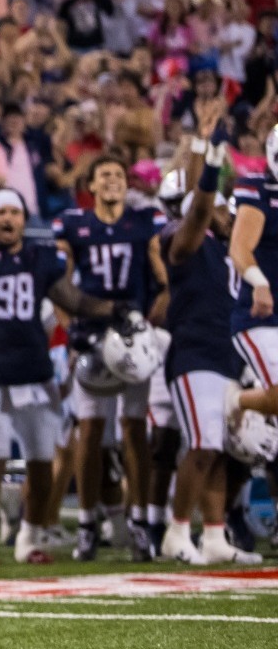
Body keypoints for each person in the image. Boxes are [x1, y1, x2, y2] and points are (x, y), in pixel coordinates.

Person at [0, 187, 119, 566]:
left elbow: (72, 299)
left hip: (33, 368)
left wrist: (115, 309)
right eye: (0, 212)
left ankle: (30, 537)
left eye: (14, 213)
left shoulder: (40, 257)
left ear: (23, 219)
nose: (7, 219)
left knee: (40, 459)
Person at [159, 111, 262, 565]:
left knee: (221, 450)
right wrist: (212, 154)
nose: (224, 212)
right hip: (195, 354)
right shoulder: (184, 244)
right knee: (201, 444)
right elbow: (200, 209)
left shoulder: (229, 252)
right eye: (219, 207)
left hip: (224, 353)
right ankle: (177, 532)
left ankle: (215, 535)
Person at [53, 157, 167, 560]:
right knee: (90, 430)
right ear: (93, 184)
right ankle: (87, 521)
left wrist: (156, 313)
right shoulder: (74, 224)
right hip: (92, 334)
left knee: (135, 428)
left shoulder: (143, 221)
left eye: (119, 175)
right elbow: (59, 278)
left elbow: (161, 275)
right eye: (105, 175)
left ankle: (139, 522)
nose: (113, 181)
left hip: (133, 333)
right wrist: (68, 326)